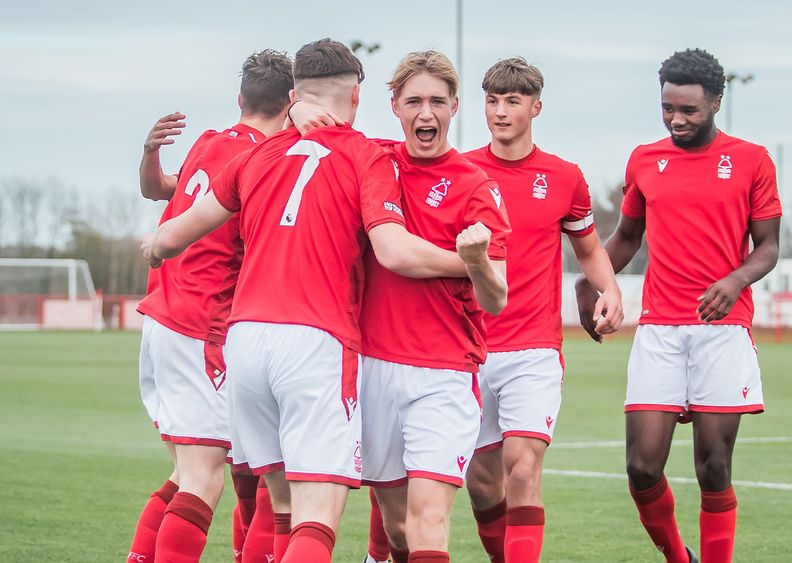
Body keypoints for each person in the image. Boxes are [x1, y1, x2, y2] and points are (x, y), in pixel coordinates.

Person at [141, 39, 483, 563]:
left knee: (275, 506)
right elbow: (392, 251)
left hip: (246, 341)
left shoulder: (256, 153)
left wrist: (151, 246)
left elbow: (166, 240)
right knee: (315, 517)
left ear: (296, 93)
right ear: (359, 96)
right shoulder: (368, 155)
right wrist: (472, 263)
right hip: (315, 340)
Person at [289, 49, 510, 563]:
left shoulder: (476, 185)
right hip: (373, 369)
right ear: (393, 105)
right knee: (397, 526)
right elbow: (311, 125)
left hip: (444, 374)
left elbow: (496, 298)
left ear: (455, 107)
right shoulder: (374, 158)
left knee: (429, 519)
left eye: (437, 101)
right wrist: (298, 110)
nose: (425, 114)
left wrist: (477, 260)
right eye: (414, 101)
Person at [576, 48, 780, 563]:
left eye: (688, 110)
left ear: (716, 102)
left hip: (723, 330)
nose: (676, 119)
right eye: (668, 107)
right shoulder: (646, 159)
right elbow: (625, 237)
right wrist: (590, 281)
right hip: (661, 331)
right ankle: (676, 557)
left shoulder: (752, 159)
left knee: (713, 468)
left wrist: (736, 280)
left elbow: (768, 247)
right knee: (642, 468)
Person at [129, 49, 292, 563]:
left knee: (185, 473)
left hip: (165, 318)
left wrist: (149, 152)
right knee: (209, 478)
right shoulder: (266, 162)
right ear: (294, 102)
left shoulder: (210, 142)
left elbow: (158, 189)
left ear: (239, 98)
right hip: (203, 327)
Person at [460, 56, 623, 563]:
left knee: (523, 465)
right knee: (483, 482)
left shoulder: (563, 177)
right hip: (468, 347)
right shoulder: (460, 171)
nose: (501, 112)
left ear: (536, 106)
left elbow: (590, 249)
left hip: (534, 347)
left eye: (512, 101)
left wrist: (611, 290)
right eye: (492, 101)